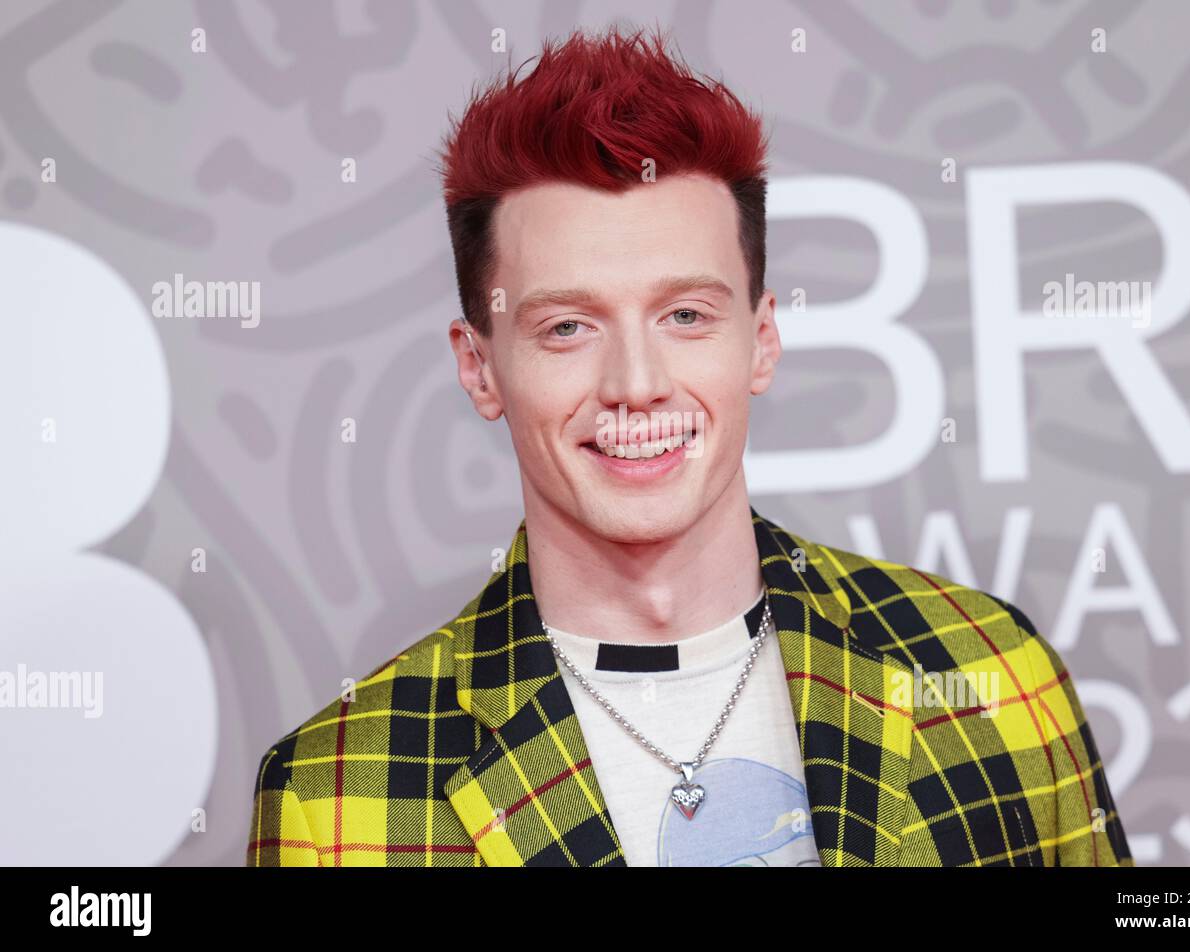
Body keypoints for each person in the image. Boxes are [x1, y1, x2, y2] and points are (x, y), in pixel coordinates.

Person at [246, 24, 1133, 867]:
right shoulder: (331, 796)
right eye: (566, 326)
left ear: (762, 338)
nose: (637, 382)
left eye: (685, 315)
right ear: (479, 368)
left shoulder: (986, 669)